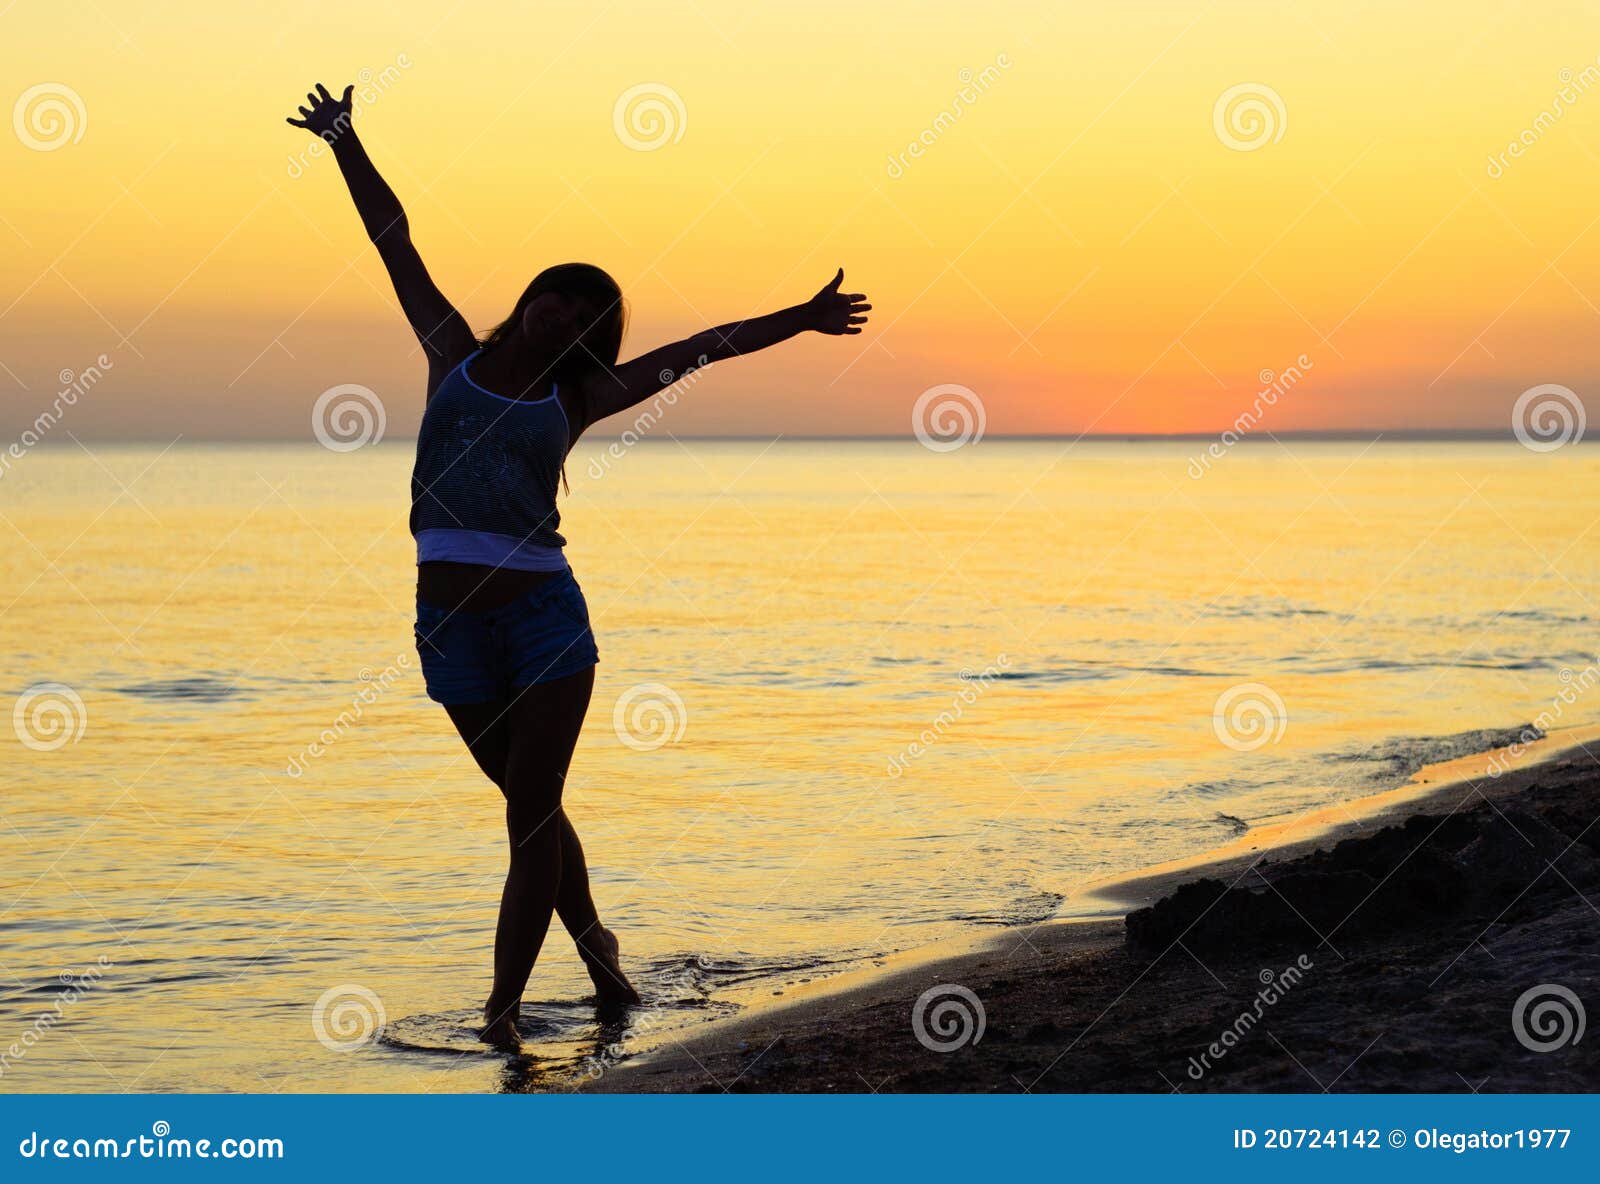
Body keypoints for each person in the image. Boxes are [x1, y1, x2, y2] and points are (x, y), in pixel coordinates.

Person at [287, 82, 871, 1045]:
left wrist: (799, 319)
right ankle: (605, 965)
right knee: (537, 813)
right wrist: (345, 142)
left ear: (591, 336)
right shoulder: (450, 354)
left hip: (543, 624)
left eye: (588, 315)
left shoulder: (580, 397)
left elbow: (698, 351)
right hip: (449, 626)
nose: (568, 317)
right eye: (562, 298)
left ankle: (502, 1015)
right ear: (532, 298)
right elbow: (397, 242)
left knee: (527, 821)